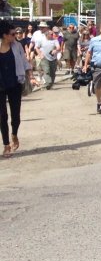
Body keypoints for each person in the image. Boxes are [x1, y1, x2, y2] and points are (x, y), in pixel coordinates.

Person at [0, 19, 32, 157]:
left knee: (15, 115)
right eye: (12, 34)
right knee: (2, 116)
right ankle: (6, 145)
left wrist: (31, 76)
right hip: (1, 85)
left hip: (15, 83)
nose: (15, 36)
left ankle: (14, 134)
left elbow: (24, 62)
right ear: (4, 35)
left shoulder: (17, 46)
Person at [32, 21, 60, 89]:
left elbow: (58, 47)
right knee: (46, 71)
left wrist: (55, 50)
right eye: (51, 34)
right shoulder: (41, 39)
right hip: (44, 58)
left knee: (52, 72)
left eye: (52, 34)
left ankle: (50, 84)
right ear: (47, 35)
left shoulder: (54, 40)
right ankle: (48, 82)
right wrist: (40, 54)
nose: (52, 35)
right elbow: (36, 47)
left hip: (53, 58)